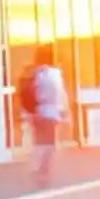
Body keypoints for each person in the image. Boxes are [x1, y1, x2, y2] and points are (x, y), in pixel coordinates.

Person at [29, 45, 68, 187]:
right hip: (53, 111)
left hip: (41, 110)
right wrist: (63, 109)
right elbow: (60, 93)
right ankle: (44, 167)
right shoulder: (55, 74)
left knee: (41, 142)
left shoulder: (40, 74)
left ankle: (41, 167)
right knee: (49, 143)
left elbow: (36, 92)